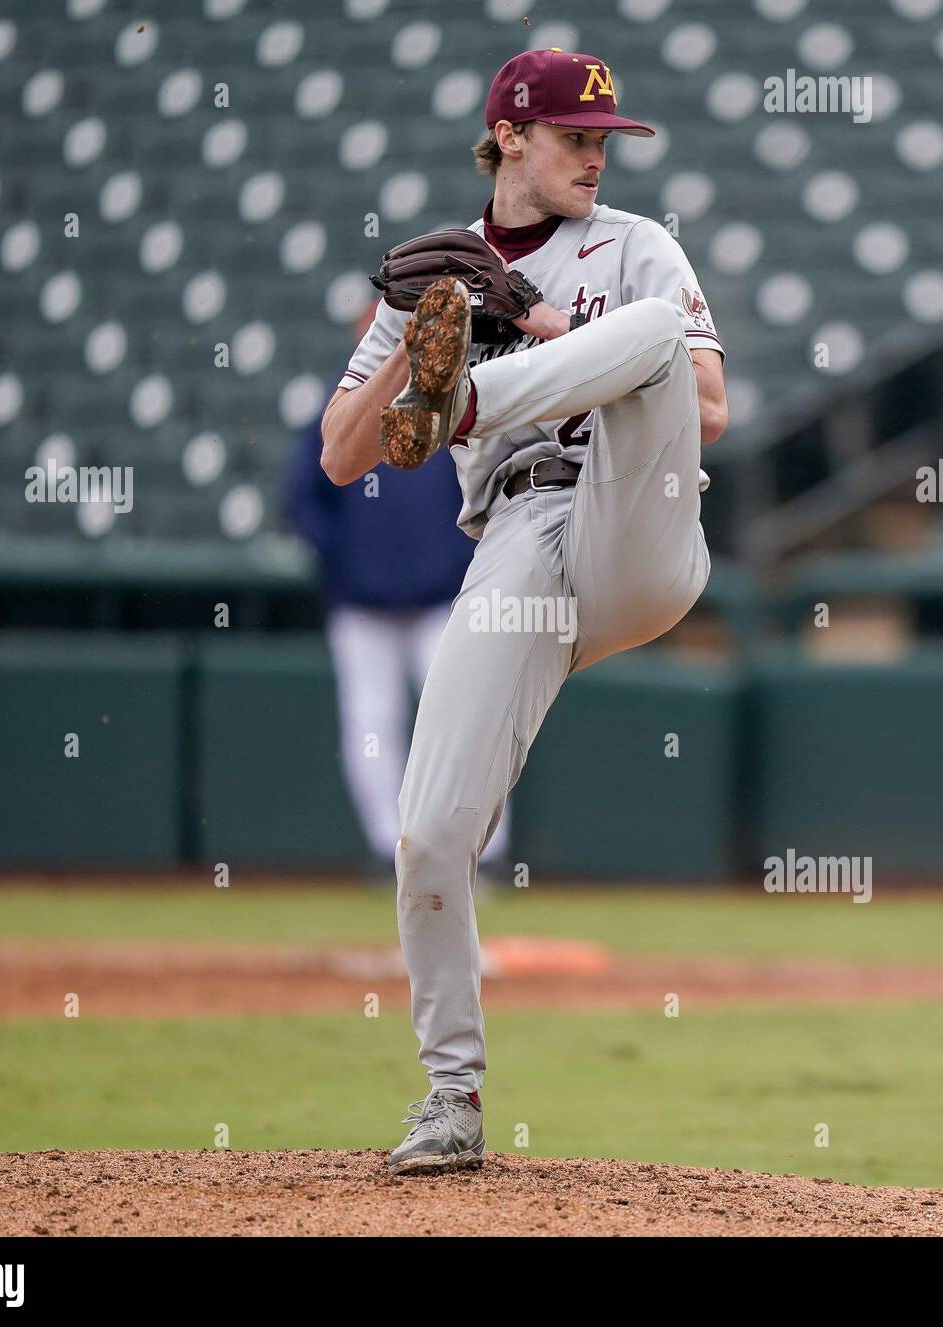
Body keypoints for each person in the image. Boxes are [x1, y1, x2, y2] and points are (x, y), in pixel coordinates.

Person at [320, 49, 728, 1174]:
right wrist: (414, 335)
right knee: (430, 829)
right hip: (513, 537)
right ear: (507, 135)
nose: (596, 152)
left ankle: (465, 401)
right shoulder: (434, 281)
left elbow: (708, 403)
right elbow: (343, 450)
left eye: (605, 138)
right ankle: (451, 1098)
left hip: (635, 517)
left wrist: (535, 331)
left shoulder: (637, 246)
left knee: (646, 331)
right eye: (571, 135)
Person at [285, 302, 511, 882]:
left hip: (442, 598)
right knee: (370, 724)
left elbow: (492, 486)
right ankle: (392, 851)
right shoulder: (335, 413)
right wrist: (343, 567)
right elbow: (303, 504)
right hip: (362, 607)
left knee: (466, 721)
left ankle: (478, 854)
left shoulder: (457, 398)